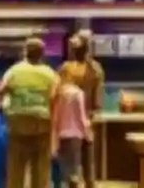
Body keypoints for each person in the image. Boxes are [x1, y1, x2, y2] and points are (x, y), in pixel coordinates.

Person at [1, 37, 58, 188]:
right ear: (42, 54)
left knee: (15, 169)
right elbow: (54, 99)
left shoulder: (13, 71)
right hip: (42, 125)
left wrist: (8, 113)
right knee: (40, 170)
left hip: (18, 124)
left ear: (25, 52)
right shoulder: (50, 74)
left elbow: (3, 93)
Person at [58, 34, 104, 188]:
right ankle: (83, 183)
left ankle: (84, 183)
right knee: (80, 158)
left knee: (80, 158)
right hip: (79, 118)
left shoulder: (71, 68)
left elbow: (98, 92)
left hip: (79, 118)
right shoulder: (89, 67)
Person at [51, 69, 93, 188]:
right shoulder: (78, 93)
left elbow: (55, 118)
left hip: (61, 135)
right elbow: (81, 116)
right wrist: (88, 133)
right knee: (74, 170)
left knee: (63, 169)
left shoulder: (59, 93)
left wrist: (54, 138)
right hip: (75, 135)